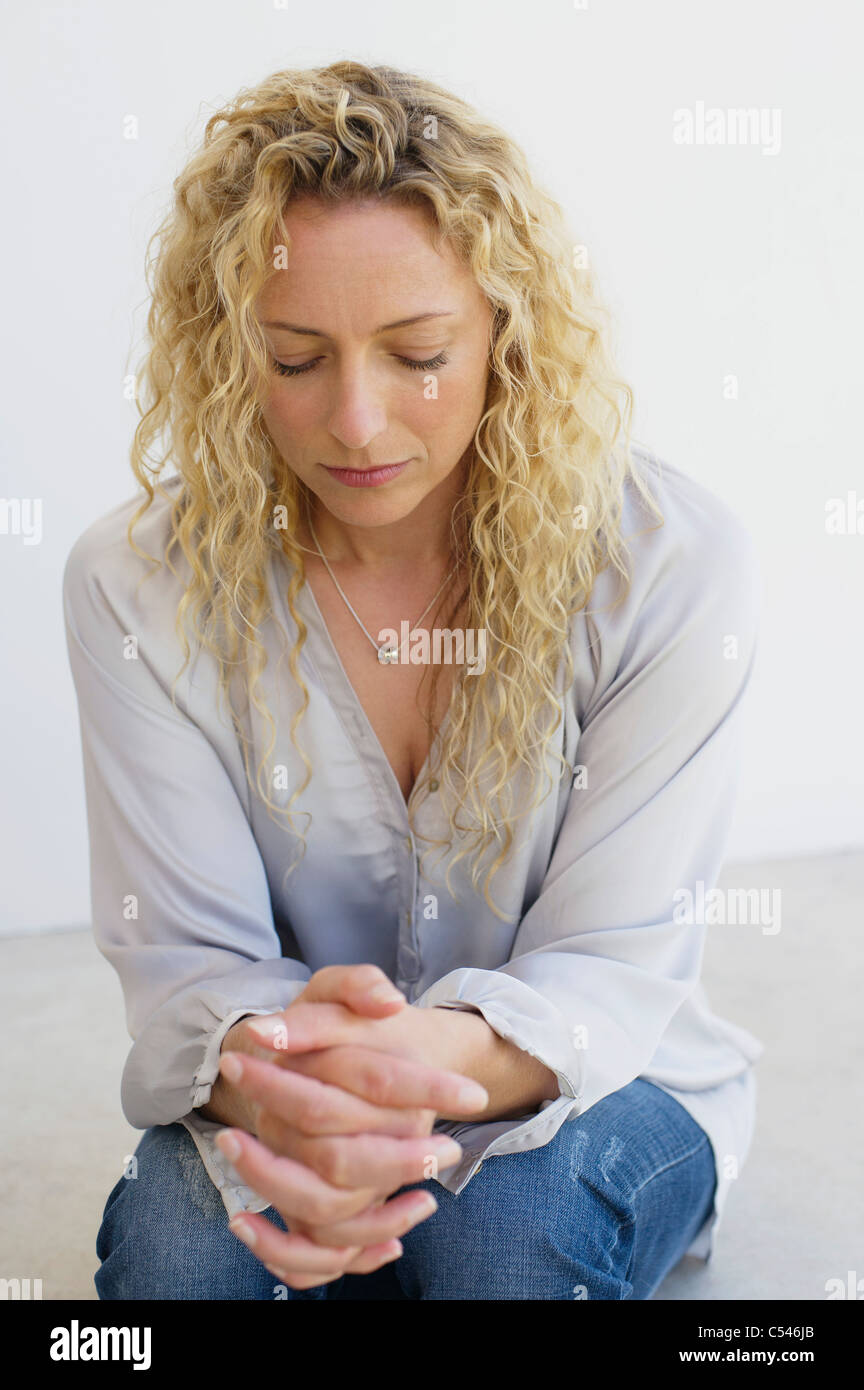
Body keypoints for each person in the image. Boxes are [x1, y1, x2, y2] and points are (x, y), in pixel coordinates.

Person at [63, 59, 763, 1301]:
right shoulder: (136, 586)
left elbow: (605, 966)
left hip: (598, 1072)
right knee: (177, 1271)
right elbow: (190, 969)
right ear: (231, 354)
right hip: (281, 1078)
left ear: (508, 328)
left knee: (499, 1249)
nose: (358, 423)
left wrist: (396, 1083)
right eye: (293, 359)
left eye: (419, 352)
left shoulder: (667, 565)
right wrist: (312, 1096)